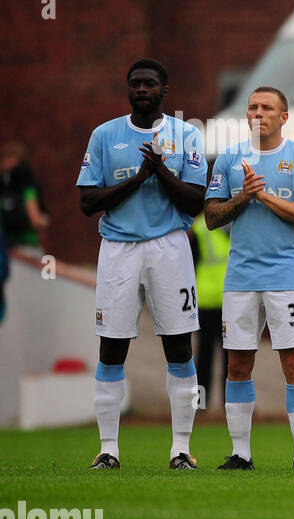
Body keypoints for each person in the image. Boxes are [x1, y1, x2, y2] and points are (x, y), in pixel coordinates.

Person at [76, 59, 207, 470]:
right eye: (136, 83)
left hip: (169, 246)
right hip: (118, 248)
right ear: (128, 89)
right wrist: (137, 179)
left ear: (164, 90)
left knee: (179, 345)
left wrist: (160, 171)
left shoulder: (186, 135)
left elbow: (195, 201)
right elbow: (87, 202)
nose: (142, 89)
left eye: (150, 83)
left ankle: (181, 449)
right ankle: (109, 449)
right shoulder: (105, 135)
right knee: (112, 346)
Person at [204, 86, 294, 471]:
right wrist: (242, 197)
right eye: (252, 107)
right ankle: (241, 453)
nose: (258, 113)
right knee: (238, 363)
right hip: (240, 278)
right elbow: (211, 218)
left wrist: (263, 196)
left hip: (287, 277)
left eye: (267, 107)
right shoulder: (228, 158)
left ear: (283, 116)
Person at [190, 219, 229, 409]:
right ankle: (200, 404)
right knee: (205, 355)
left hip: (230, 301)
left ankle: (227, 405)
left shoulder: (240, 225)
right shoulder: (200, 229)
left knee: (230, 357)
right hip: (207, 301)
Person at [1, 141, 49, 248]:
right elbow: (35, 219)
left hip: (6, 244)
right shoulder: (26, 183)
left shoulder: (4, 184)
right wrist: (44, 221)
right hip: (26, 244)